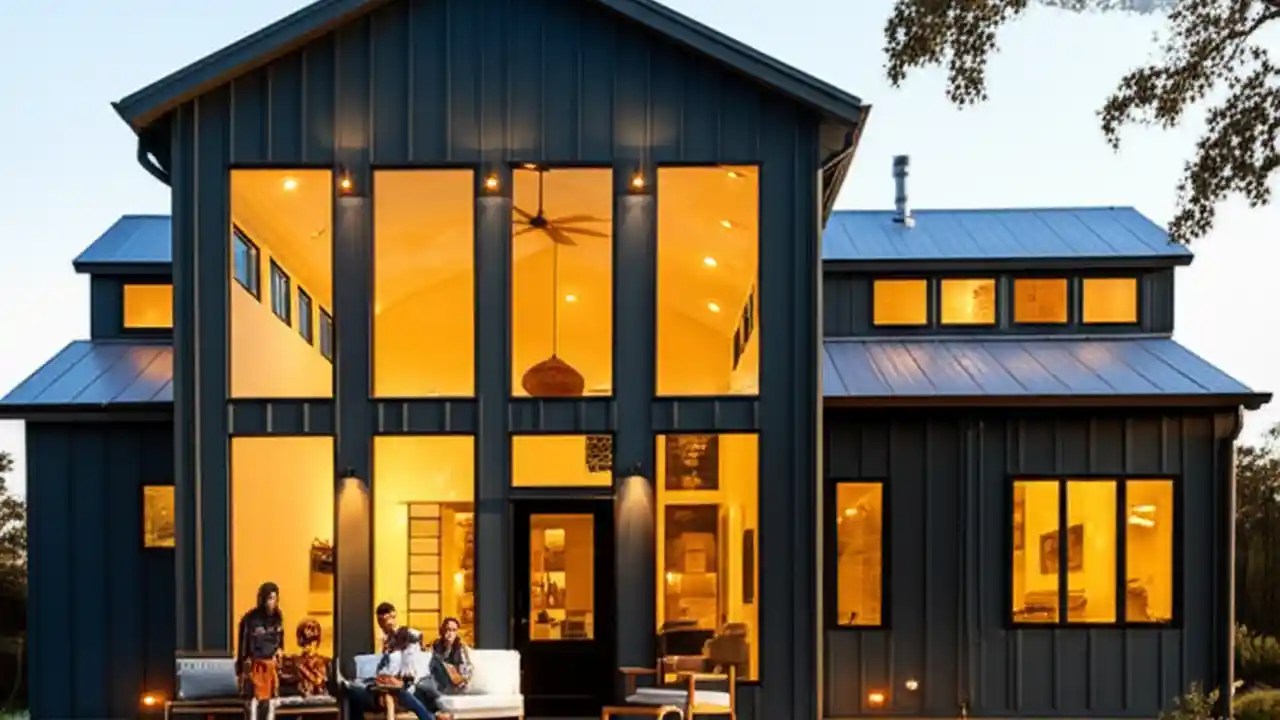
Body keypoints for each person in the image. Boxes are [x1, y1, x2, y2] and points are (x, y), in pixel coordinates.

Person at [343, 602, 449, 720]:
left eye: (385, 620)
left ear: (393, 616)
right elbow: (387, 666)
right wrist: (381, 677)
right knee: (353, 691)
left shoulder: (407, 636)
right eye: (380, 621)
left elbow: (412, 668)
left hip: (402, 687)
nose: (383, 625)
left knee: (381, 692)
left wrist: (399, 680)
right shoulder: (388, 641)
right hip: (385, 686)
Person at [236, 582, 285, 702]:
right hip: (256, 666)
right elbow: (243, 645)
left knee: (271, 702)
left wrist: (280, 650)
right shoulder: (250, 619)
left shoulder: (278, 617)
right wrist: (242, 669)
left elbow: (280, 638)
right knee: (255, 701)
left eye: (274, 598)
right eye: (268, 598)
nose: (271, 603)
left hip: (271, 666)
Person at [428, 617, 473, 695]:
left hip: (456, 684)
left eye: (454, 630)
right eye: (448, 629)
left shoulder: (461, 647)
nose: (450, 633)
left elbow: (467, 670)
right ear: (442, 630)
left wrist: (461, 679)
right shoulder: (435, 645)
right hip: (438, 681)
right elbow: (429, 665)